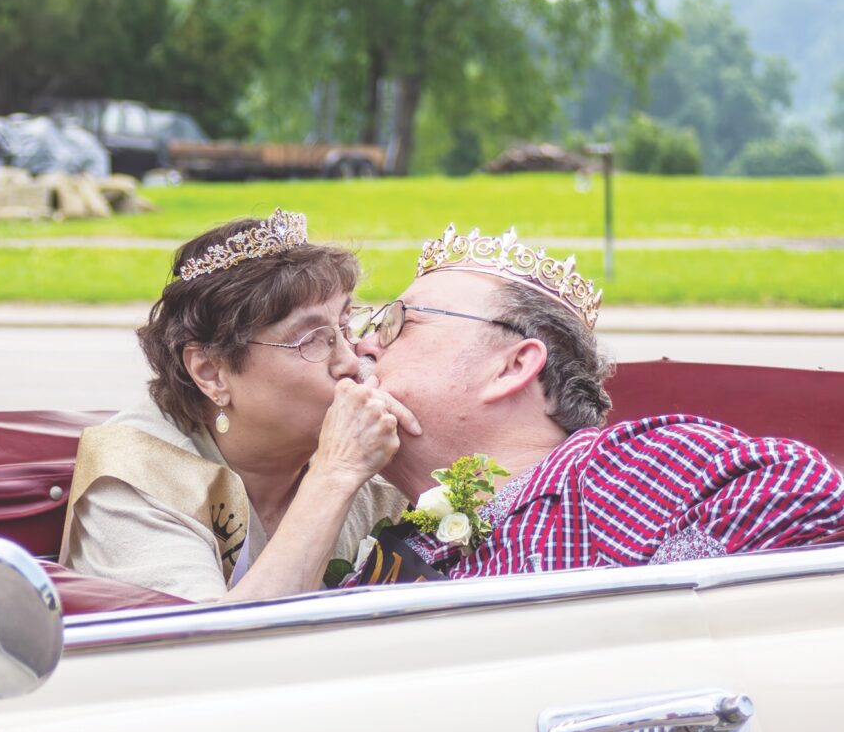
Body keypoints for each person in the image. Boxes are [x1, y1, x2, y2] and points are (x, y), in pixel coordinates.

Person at [342, 224, 844, 582]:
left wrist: (639, 620)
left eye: (399, 322)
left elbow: (801, 488)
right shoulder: (397, 541)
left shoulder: (601, 473)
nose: (363, 345)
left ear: (512, 367)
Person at [59, 209, 414, 602]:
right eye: (312, 338)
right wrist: (335, 476)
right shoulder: (134, 478)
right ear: (211, 372)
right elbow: (218, 650)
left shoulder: (374, 450)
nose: (350, 362)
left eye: (347, 325)